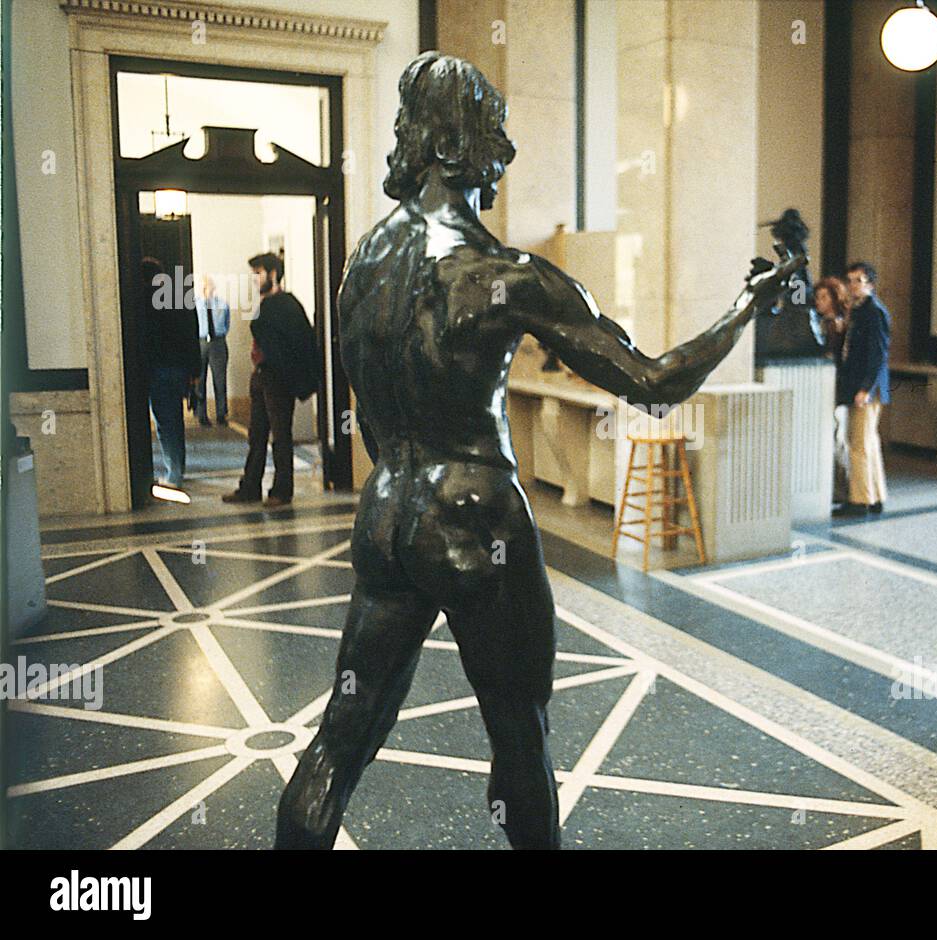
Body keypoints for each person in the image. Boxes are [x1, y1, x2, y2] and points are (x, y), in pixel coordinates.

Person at [274, 51, 801, 851]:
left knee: (340, 740)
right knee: (520, 734)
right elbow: (652, 381)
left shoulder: (361, 266)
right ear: (453, 146)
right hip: (475, 515)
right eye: (494, 135)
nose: (506, 156)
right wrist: (741, 310)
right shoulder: (507, 274)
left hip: (386, 513)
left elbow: (372, 412)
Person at [222, 253, 318, 507]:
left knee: (280, 436)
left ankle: (282, 489)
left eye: (258, 273)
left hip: (277, 378)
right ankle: (250, 486)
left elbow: (296, 343)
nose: (254, 279)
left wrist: (291, 376)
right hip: (263, 376)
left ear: (273, 274)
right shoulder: (267, 304)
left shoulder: (285, 305)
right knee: (256, 435)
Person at [140, 257, 201, 494]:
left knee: (165, 424)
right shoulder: (180, 296)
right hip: (180, 369)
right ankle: (178, 469)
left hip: (158, 369)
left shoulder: (144, 300)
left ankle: (174, 474)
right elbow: (192, 335)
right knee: (174, 422)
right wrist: (194, 371)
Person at [834, 261, 890, 517]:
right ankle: (875, 496)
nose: (852, 286)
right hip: (861, 386)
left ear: (870, 284)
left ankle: (860, 500)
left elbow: (878, 354)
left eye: (858, 280)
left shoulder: (874, 312)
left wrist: (866, 388)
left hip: (867, 389)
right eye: (850, 280)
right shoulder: (859, 311)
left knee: (859, 444)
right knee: (869, 442)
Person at [814, 276, 852, 503]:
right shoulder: (823, 323)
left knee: (837, 440)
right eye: (817, 297)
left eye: (823, 297)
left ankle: (845, 490)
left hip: (836, 387)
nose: (819, 302)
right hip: (827, 387)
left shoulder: (837, 325)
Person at [195, 275, 231, 426]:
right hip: (201, 342)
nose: (208, 288)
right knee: (200, 379)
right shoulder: (195, 304)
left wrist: (219, 336)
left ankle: (221, 414)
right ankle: (201, 414)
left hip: (218, 342)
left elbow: (226, 323)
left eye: (210, 285)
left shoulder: (222, 304)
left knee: (220, 380)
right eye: (205, 286)